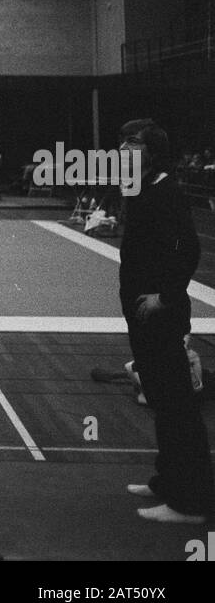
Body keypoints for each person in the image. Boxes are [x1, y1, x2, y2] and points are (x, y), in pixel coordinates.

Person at [119, 118, 214, 524]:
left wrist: (167, 296)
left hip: (160, 312)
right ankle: (167, 480)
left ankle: (189, 501)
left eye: (133, 142)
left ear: (153, 151)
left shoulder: (166, 192)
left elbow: (187, 249)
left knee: (176, 405)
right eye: (121, 141)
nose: (124, 147)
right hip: (141, 310)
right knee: (159, 397)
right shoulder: (142, 188)